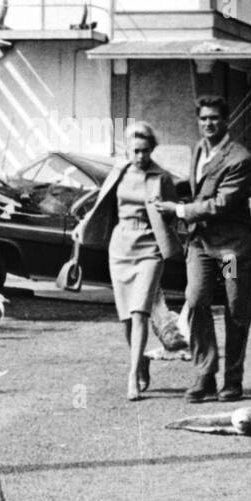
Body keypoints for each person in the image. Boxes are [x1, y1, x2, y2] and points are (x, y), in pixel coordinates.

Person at [153, 95, 251, 403]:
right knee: (196, 300)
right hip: (201, 244)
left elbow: (223, 203)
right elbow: (200, 190)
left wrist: (180, 211)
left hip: (231, 250)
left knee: (235, 308)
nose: (208, 124)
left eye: (214, 118)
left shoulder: (239, 158)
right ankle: (205, 375)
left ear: (226, 121)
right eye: (203, 119)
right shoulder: (199, 149)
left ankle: (232, 380)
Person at [72, 121, 181, 401]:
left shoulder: (163, 177)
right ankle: (141, 359)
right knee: (126, 319)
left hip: (150, 248)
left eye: (145, 151)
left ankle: (132, 375)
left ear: (152, 149)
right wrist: (83, 225)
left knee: (140, 311)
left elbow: (172, 215)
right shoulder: (118, 171)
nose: (140, 156)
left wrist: (165, 215)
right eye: (135, 151)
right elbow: (102, 203)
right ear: (127, 150)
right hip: (120, 247)